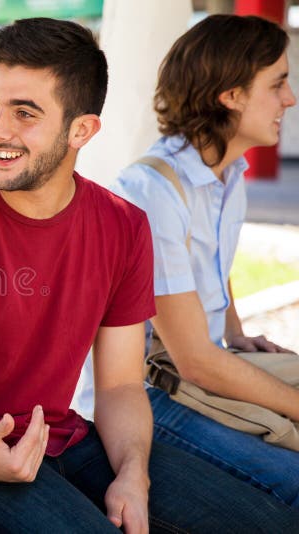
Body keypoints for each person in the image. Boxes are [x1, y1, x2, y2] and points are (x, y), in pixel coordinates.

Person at [0, 17, 299, 533]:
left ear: (82, 130)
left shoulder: (123, 226)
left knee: (267, 521)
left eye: (24, 113)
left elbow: (117, 385)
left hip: (61, 437)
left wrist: (133, 475)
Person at [109, 14, 299, 508]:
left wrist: (235, 330)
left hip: (205, 364)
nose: (290, 99)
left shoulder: (226, 170)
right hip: (155, 391)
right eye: (278, 83)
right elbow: (193, 360)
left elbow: (213, 258)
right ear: (230, 95)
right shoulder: (153, 190)